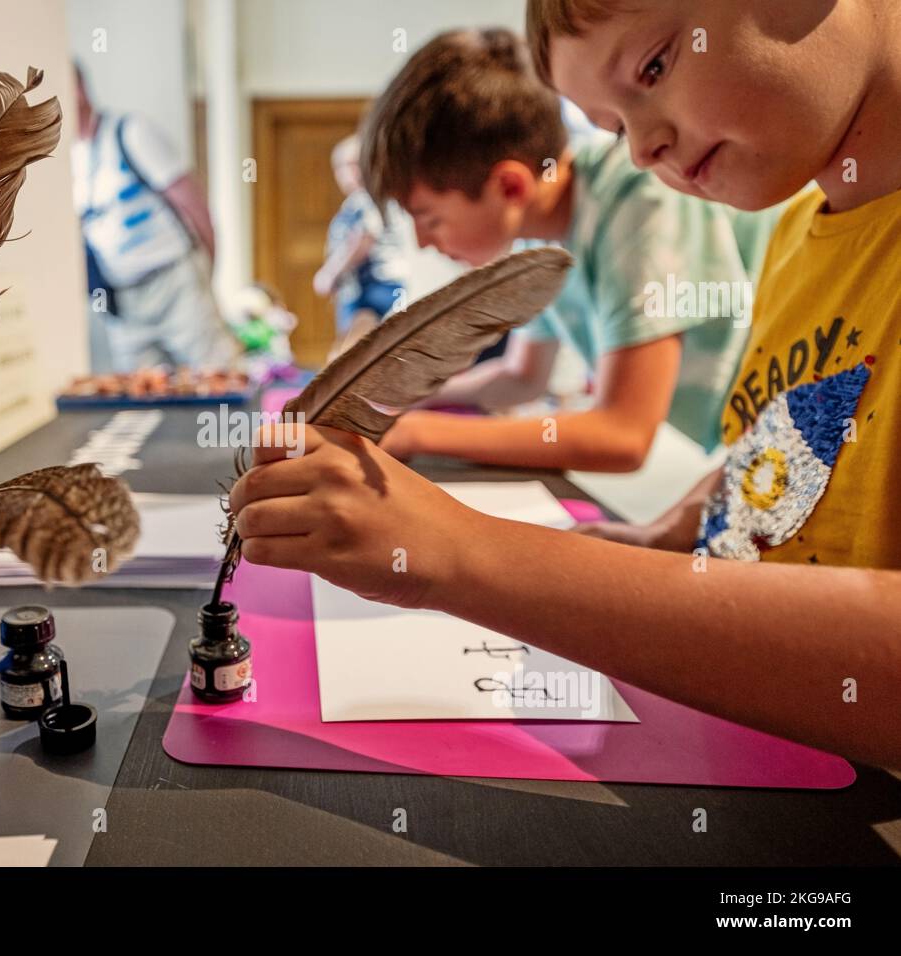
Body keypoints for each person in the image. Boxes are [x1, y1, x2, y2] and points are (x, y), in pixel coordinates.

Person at [227, 0, 901, 767]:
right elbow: (777, 447)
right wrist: (663, 538)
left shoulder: (653, 203)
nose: (643, 149)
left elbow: (621, 432)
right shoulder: (798, 229)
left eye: (654, 66)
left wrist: (453, 544)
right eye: (612, 126)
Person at [361, 29, 782, 472]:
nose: (425, 242)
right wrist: (396, 396)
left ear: (509, 186)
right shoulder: (534, 232)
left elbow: (622, 435)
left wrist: (415, 432)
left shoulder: (639, 196)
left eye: (430, 219)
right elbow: (522, 377)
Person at [71, 65, 237, 372]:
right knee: (143, 392)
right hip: (123, 300)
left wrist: (206, 272)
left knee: (215, 373)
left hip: (173, 279)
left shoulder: (130, 132)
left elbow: (194, 203)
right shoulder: (69, 159)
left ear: (78, 89)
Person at [314, 135, 408, 359]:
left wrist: (329, 274)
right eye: (343, 167)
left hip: (375, 288)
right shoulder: (356, 202)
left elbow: (363, 240)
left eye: (356, 165)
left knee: (350, 357)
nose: (350, 173)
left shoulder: (368, 200)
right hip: (359, 289)